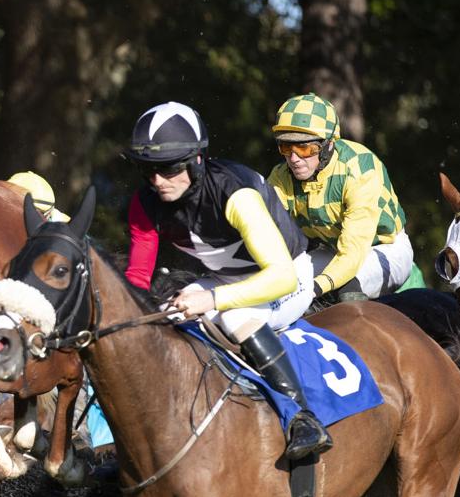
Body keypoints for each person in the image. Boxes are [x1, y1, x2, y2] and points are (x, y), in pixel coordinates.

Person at [124, 101, 331, 460]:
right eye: (148, 170)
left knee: (233, 317)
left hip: (289, 277)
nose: (158, 181)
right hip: (224, 279)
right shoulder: (145, 202)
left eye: (169, 168)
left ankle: (303, 418)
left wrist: (212, 301)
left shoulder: (235, 193)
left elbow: (280, 277)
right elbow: (138, 277)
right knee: (163, 313)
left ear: (196, 160)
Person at [267, 93, 412, 302]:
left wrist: (315, 289)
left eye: (305, 148)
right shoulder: (280, 176)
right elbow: (264, 230)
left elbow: (353, 252)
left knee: (344, 289)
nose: (294, 158)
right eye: (286, 147)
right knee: (286, 285)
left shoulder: (359, 168)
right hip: (332, 252)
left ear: (328, 145)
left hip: (383, 250)